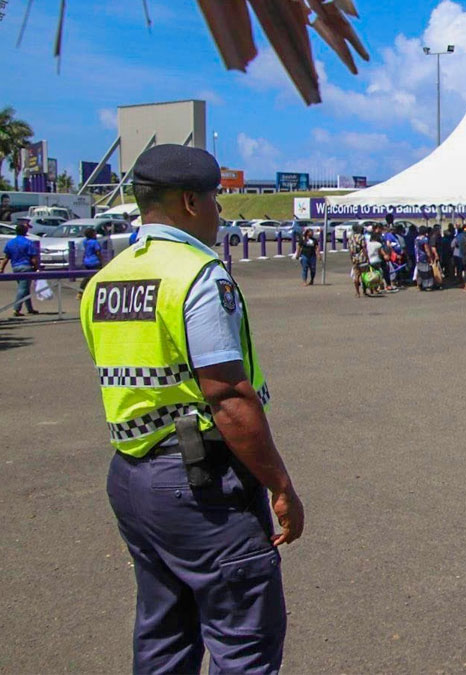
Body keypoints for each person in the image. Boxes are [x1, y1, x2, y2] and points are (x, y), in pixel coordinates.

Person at [79, 144, 303, 673]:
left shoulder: (106, 280)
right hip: (198, 484)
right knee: (243, 642)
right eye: (213, 199)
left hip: (132, 475)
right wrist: (280, 485)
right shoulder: (198, 276)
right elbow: (226, 396)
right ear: (188, 202)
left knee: (164, 639)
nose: (219, 212)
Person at [0, 222, 40, 317]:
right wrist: (37, 268)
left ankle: (30, 308)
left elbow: (6, 257)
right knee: (23, 289)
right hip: (26, 267)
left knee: (25, 289)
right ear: (25, 232)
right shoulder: (28, 242)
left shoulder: (10, 243)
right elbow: (33, 258)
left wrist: (1, 268)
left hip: (15, 268)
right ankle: (16, 309)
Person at [414, 226, 437, 291]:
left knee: (420, 271)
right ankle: (428, 285)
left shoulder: (416, 238)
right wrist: (430, 257)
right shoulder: (425, 239)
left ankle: (419, 284)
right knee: (427, 271)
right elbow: (427, 249)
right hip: (423, 257)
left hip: (418, 257)